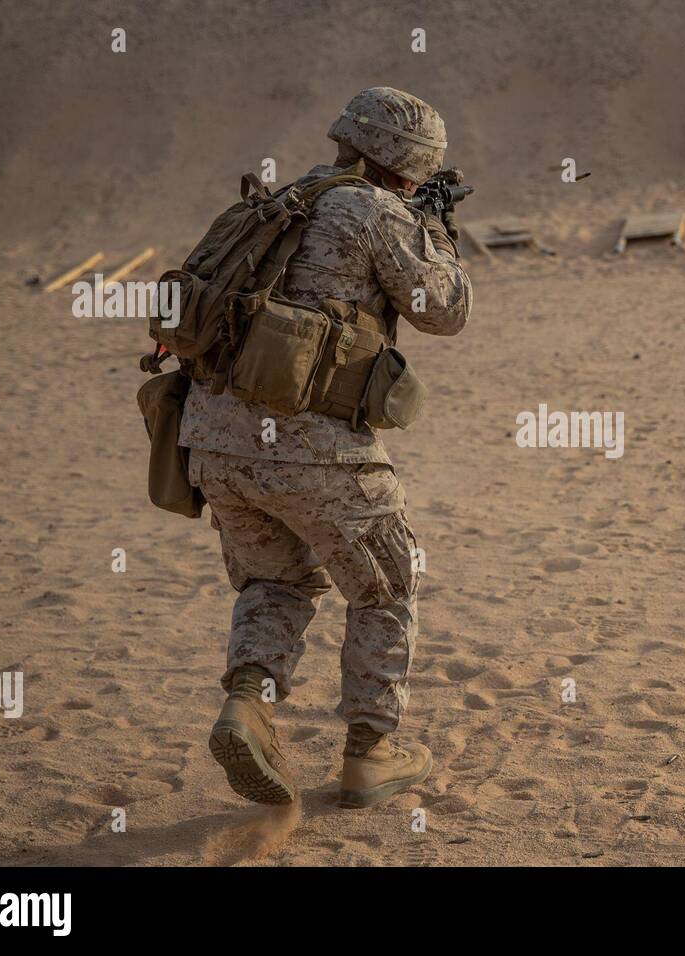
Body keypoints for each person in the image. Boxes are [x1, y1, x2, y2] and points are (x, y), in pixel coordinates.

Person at [179, 87, 472, 808]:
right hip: (312, 446)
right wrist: (434, 229)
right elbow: (444, 312)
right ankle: (371, 751)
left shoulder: (286, 198)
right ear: (414, 164)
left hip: (215, 441)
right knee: (386, 582)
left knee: (275, 581)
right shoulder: (374, 210)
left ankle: (247, 705)